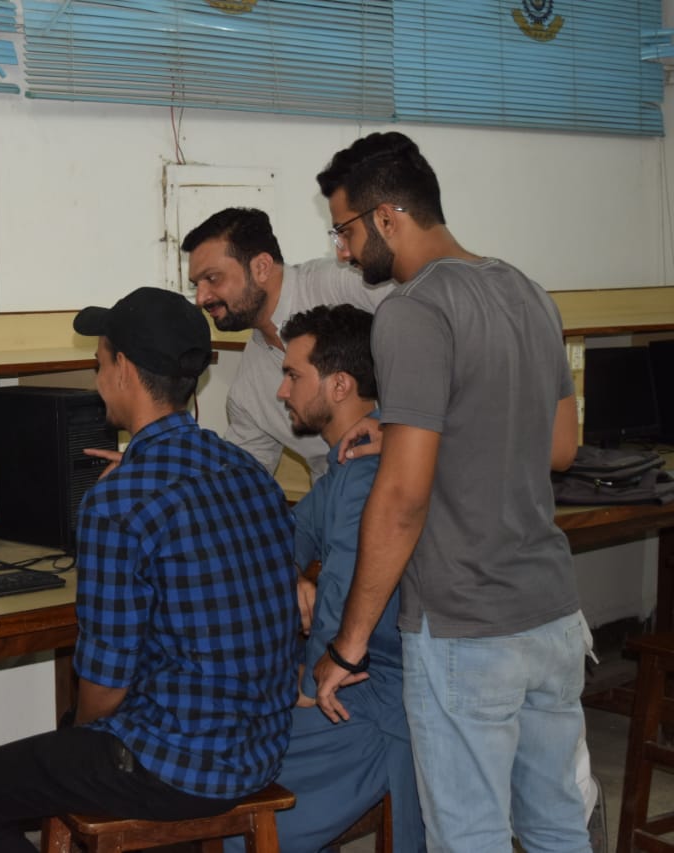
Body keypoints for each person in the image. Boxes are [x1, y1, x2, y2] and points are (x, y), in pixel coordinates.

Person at [0, 287, 298, 853]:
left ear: (123, 369)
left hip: (172, 768)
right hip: (257, 752)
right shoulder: (247, 472)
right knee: (73, 738)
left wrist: (78, 738)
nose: (97, 378)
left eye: (99, 363)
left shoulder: (117, 501)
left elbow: (106, 682)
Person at [310, 132, 591, 852]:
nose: (343, 251)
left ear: (386, 217)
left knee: (470, 836)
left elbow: (402, 502)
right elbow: (560, 447)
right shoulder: (528, 291)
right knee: (557, 827)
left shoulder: (412, 310)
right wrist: (409, 425)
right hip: (552, 615)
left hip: (467, 629)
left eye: (345, 230)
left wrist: (349, 645)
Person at [223, 303, 426, 853]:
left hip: (369, 699)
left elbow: (341, 602)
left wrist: (307, 687)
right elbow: (282, 541)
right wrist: (292, 575)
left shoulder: (365, 474)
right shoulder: (346, 466)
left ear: (339, 385)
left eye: (293, 376)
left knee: (230, 803)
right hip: (362, 686)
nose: (282, 391)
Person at [181, 207, 392, 479]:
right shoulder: (247, 392)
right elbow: (242, 483)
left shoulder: (346, 282)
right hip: (335, 501)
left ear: (261, 267)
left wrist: (397, 429)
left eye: (212, 278)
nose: (200, 298)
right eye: (195, 285)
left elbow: (435, 324)